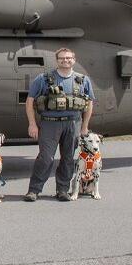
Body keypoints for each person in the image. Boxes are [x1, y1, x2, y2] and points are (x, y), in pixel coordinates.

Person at [24, 48, 96, 202]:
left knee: (68, 158)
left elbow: (89, 103)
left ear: (74, 60)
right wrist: (32, 124)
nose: (65, 60)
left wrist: (84, 126)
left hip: (73, 123)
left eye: (68, 58)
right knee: (45, 158)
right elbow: (30, 101)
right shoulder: (43, 79)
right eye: (62, 58)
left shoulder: (83, 80)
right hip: (50, 124)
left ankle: (62, 190)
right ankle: (34, 190)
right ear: (57, 60)